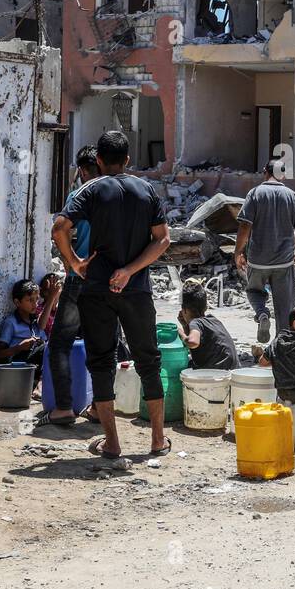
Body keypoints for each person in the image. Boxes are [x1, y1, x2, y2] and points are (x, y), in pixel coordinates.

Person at [53, 130, 171, 459]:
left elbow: (59, 228)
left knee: (101, 363)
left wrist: (74, 263)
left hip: (97, 289)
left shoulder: (89, 190)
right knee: (149, 360)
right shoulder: (146, 189)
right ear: (128, 160)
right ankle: (157, 440)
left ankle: (113, 443)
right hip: (135, 290)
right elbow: (163, 240)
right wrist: (130, 270)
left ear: (100, 161)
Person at [35, 145, 101, 429]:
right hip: (109, 280)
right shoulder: (116, 196)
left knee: (60, 343)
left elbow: (60, 231)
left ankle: (63, 407)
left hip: (79, 279)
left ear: (83, 170)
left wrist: (71, 261)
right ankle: (99, 406)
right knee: (104, 344)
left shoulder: (80, 195)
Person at [235, 160, 295, 343]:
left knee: (254, 291)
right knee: (285, 307)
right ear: (282, 175)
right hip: (284, 262)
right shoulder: (292, 196)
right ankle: (281, 346)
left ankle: (262, 314)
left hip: (258, 260)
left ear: (265, 172)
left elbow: (245, 226)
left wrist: (238, 252)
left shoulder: (255, 193)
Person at [178, 282, 240, 371]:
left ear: (184, 310)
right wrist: (185, 325)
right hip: (233, 371)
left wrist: (180, 333)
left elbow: (193, 342)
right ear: (206, 307)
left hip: (216, 374)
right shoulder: (213, 320)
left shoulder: (196, 323)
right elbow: (196, 340)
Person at [0, 279, 47, 367]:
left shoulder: (36, 322)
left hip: (35, 363)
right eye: (30, 300)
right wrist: (20, 347)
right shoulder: (11, 322)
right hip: (18, 365)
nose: (35, 304)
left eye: (37, 299)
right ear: (17, 302)